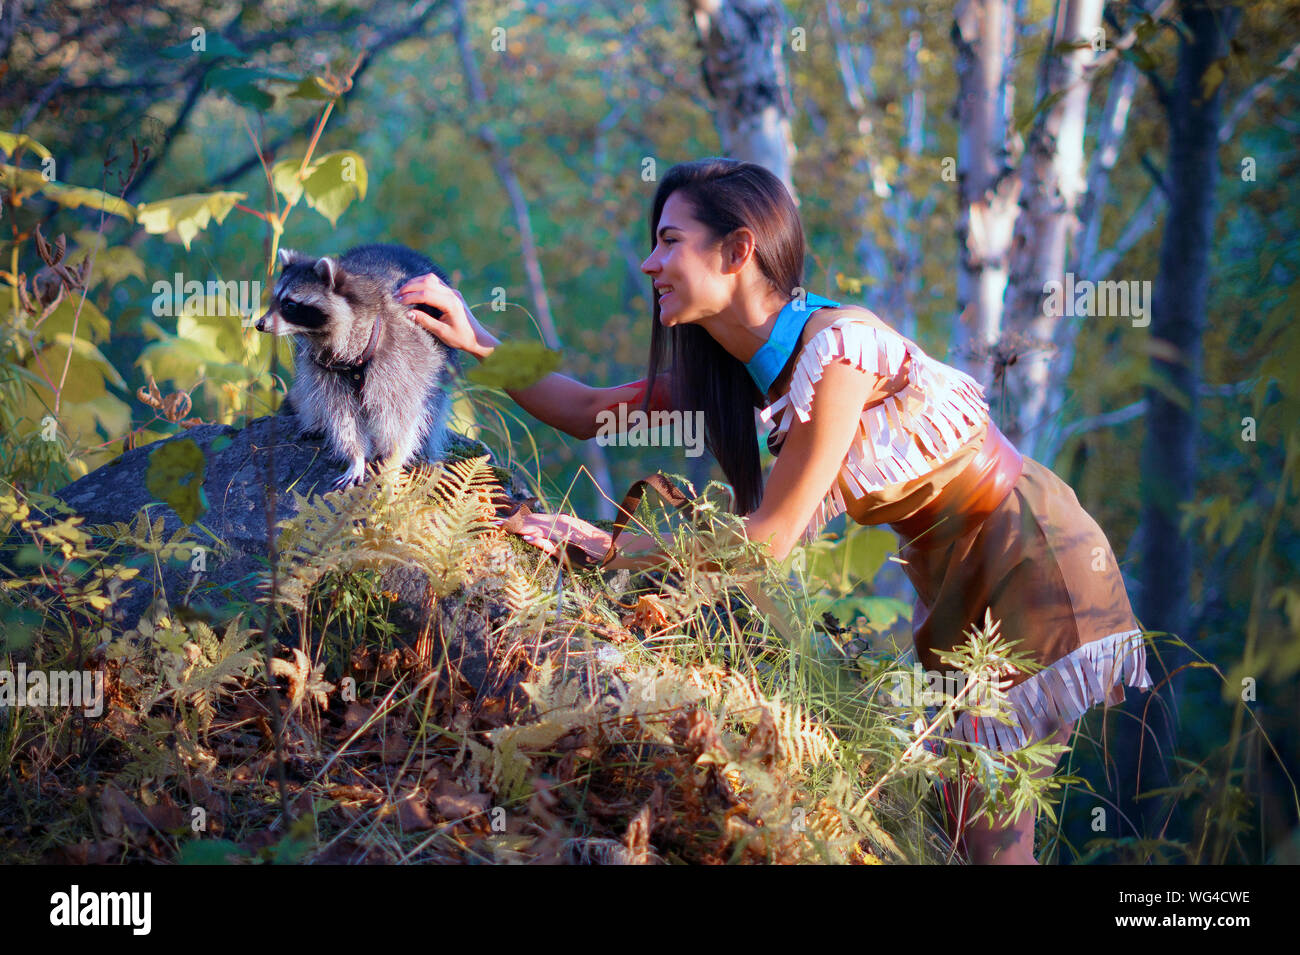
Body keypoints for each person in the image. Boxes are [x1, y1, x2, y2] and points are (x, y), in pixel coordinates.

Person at [397, 157, 1153, 864]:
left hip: (1033, 558)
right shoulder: (745, 371)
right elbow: (590, 409)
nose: (650, 263)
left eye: (669, 242)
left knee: (983, 825)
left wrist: (609, 548)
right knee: (962, 822)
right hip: (953, 581)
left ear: (737, 250)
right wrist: (476, 340)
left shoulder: (839, 351)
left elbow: (772, 537)